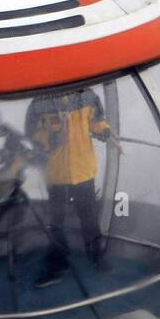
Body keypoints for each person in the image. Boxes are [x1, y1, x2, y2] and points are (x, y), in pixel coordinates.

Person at [27, 89, 120, 278]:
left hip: (83, 171)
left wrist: (106, 133)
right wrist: (52, 138)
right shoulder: (39, 100)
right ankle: (59, 262)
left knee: (90, 219)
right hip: (56, 174)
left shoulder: (88, 96)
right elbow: (32, 134)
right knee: (57, 221)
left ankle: (96, 257)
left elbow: (96, 121)